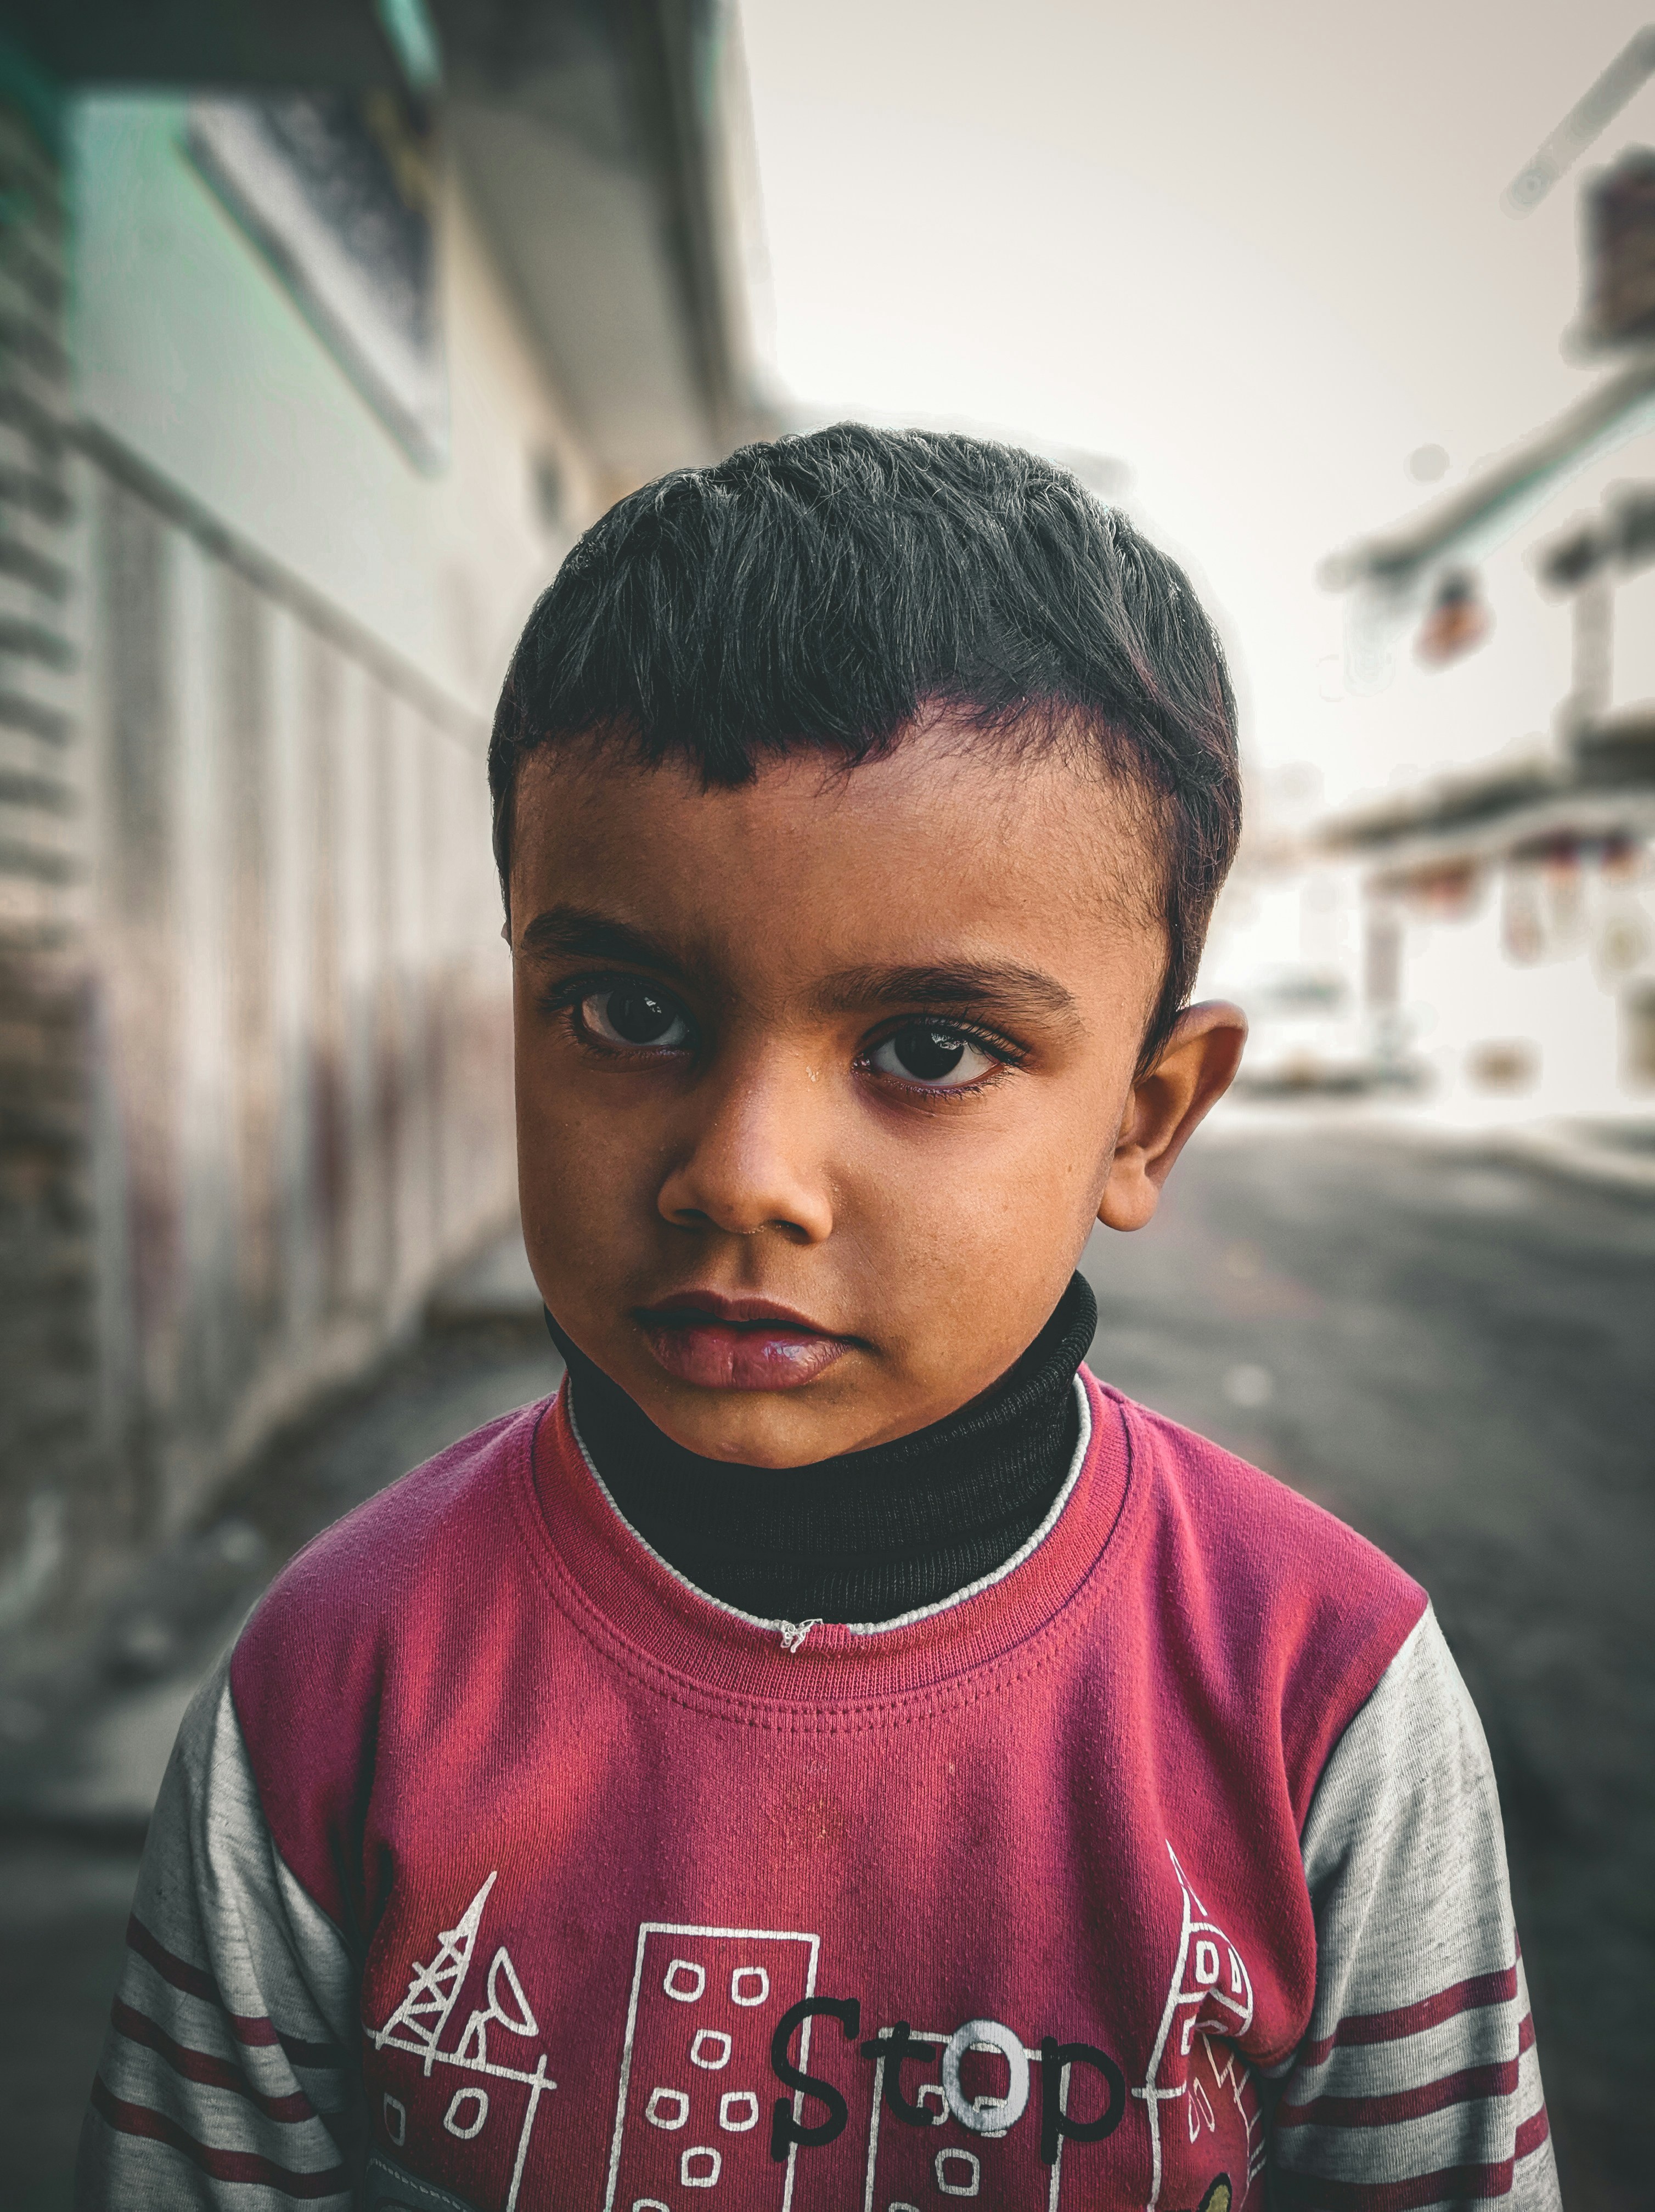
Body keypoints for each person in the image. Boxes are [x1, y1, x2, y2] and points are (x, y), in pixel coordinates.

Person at [77, 427, 1557, 2212]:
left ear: (1146, 1118)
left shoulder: (1318, 1696)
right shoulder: (337, 1683)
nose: (745, 1177)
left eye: (929, 1051)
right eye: (629, 1012)